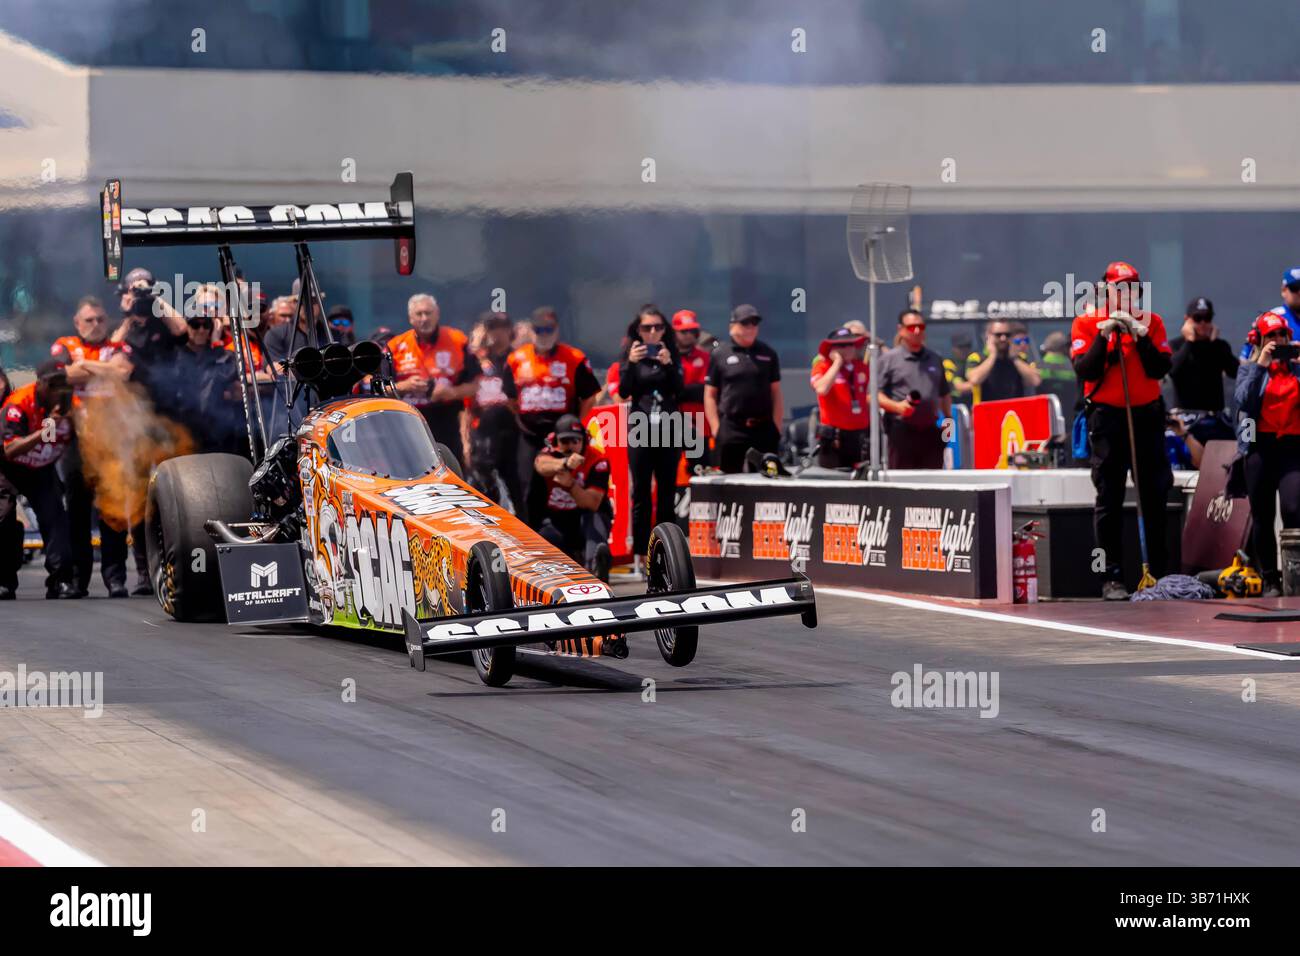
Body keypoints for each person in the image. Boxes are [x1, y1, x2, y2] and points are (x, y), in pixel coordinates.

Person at [1070, 261, 1173, 601]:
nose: (1126, 294)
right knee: (1109, 498)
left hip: (1146, 417)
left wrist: (1138, 334)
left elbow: (1160, 367)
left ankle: (1159, 572)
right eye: (1120, 288)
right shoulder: (1085, 322)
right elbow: (1085, 368)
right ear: (1105, 290)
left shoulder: (1153, 322)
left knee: (1154, 495)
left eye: (1132, 288)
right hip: (1107, 419)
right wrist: (1104, 334)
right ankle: (1110, 575)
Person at [51, 296, 134, 597]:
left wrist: (85, 365)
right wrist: (102, 368)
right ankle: (77, 579)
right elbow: (63, 374)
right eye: (89, 320)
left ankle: (116, 578)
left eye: (100, 319)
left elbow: (123, 372)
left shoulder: (119, 348)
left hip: (111, 437)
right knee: (76, 510)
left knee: (112, 509)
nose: (96, 325)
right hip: (77, 438)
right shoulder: (64, 344)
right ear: (77, 323)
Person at [507, 307, 600, 523]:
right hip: (529, 435)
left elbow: (590, 397)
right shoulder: (516, 359)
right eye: (539, 330)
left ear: (556, 330)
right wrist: (524, 419)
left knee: (564, 484)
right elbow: (510, 399)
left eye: (549, 329)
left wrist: (578, 425)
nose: (544, 334)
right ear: (531, 331)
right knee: (527, 487)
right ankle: (529, 538)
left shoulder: (574, 358)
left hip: (562, 435)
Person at [1232, 312, 1300, 596]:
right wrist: (1261, 364)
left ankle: (1294, 576)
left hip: (1293, 447)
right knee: (1262, 514)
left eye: (1280, 336)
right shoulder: (1250, 368)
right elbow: (1244, 400)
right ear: (1260, 341)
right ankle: (1270, 579)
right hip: (1261, 446)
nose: (1276, 341)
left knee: (1293, 508)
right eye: (1270, 337)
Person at [1, 360, 77, 598]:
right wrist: (45, 431)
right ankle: (4, 580)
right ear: (41, 383)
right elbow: (11, 450)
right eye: (53, 384)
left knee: (55, 516)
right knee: (3, 517)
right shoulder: (18, 403)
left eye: (62, 383)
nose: (58, 389)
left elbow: (62, 438)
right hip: (8, 467)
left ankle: (60, 579)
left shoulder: (68, 404)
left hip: (41, 468)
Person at [617, 305, 685, 558]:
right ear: (638, 330)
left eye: (658, 327)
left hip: (668, 429)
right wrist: (630, 364)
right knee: (642, 492)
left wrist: (668, 365)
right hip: (640, 429)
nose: (653, 332)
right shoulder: (631, 355)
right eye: (647, 327)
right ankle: (641, 553)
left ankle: (667, 549)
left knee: (667, 491)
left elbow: (680, 390)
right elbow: (624, 391)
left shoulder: (671, 353)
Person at [388, 293, 480, 458]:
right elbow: (378, 389)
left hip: (446, 422)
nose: (424, 318)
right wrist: (404, 387)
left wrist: (451, 392)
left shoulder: (457, 340)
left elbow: (476, 385)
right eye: (419, 314)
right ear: (410, 318)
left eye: (428, 313)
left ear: (437, 314)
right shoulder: (395, 346)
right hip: (408, 424)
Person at [532, 414, 613, 582]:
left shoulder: (597, 460)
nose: (570, 446)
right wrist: (564, 464)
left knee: (593, 521)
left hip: (586, 518)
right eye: (565, 441)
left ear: (583, 440)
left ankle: (596, 568)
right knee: (542, 539)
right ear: (556, 442)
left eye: (575, 441)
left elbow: (592, 503)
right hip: (558, 521)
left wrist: (570, 486)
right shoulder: (550, 454)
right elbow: (540, 464)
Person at [704, 304, 783, 474]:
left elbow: (776, 392)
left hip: (763, 427)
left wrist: (776, 426)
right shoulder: (720, 354)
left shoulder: (768, 353)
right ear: (732, 326)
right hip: (732, 427)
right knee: (729, 480)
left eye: (754, 323)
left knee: (768, 479)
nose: (751, 328)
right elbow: (710, 394)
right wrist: (716, 428)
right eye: (745, 323)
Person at [876, 309, 951, 469]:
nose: (917, 331)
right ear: (900, 330)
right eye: (911, 327)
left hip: (931, 431)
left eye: (921, 327)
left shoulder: (935, 358)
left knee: (933, 481)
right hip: (901, 431)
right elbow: (873, 396)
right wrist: (897, 407)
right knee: (903, 482)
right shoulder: (889, 360)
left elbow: (944, 394)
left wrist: (948, 426)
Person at [463, 311, 522, 511]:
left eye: (501, 328)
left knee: (518, 485)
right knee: (481, 485)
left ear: (509, 330)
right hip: (484, 433)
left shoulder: (519, 359)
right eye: (492, 328)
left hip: (514, 431)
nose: (497, 333)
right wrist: (466, 441)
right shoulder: (478, 362)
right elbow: (467, 405)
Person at [1168, 296, 1237, 442]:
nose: (1203, 323)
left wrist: (1214, 344)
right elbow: (1173, 371)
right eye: (1198, 318)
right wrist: (1190, 342)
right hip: (1186, 419)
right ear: (1187, 319)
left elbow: (1234, 372)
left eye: (1207, 318)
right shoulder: (1176, 345)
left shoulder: (1219, 346)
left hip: (1214, 418)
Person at [810, 327, 870, 469]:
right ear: (832, 348)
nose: (849, 348)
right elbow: (822, 389)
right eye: (842, 345)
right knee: (834, 482)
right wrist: (837, 363)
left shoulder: (861, 367)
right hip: (834, 438)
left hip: (859, 437)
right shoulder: (822, 366)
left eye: (851, 344)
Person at [964, 319, 1042, 403]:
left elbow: (1035, 381)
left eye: (1007, 335)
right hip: (986, 410)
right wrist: (992, 355)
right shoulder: (977, 358)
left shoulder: (1019, 358)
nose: (1003, 338)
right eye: (998, 335)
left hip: (1013, 412)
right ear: (988, 336)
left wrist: (1015, 358)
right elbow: (974, 380)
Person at [1239, 268, 1300, 362]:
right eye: (1295, 288)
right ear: (1284, 290)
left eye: (1282, 334)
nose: (1299, 292)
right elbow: (1245, 362)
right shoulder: (1270, 319)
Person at [673, 309, 712, 456]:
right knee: (668, 471)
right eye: (683, 332)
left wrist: (680, 391)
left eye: (691, 331)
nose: (688, 335)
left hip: (699, 421)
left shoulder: (705, 357)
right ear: (675, 333)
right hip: (672, 420)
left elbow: (704, 391)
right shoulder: (668, 357)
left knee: (700, 469)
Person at [1036, 331, 1078, 413]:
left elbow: (1039, 383)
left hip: (1048, 409)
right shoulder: (1071, 364)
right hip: (1070, 410)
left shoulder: (1042, 364)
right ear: (1064, 347)